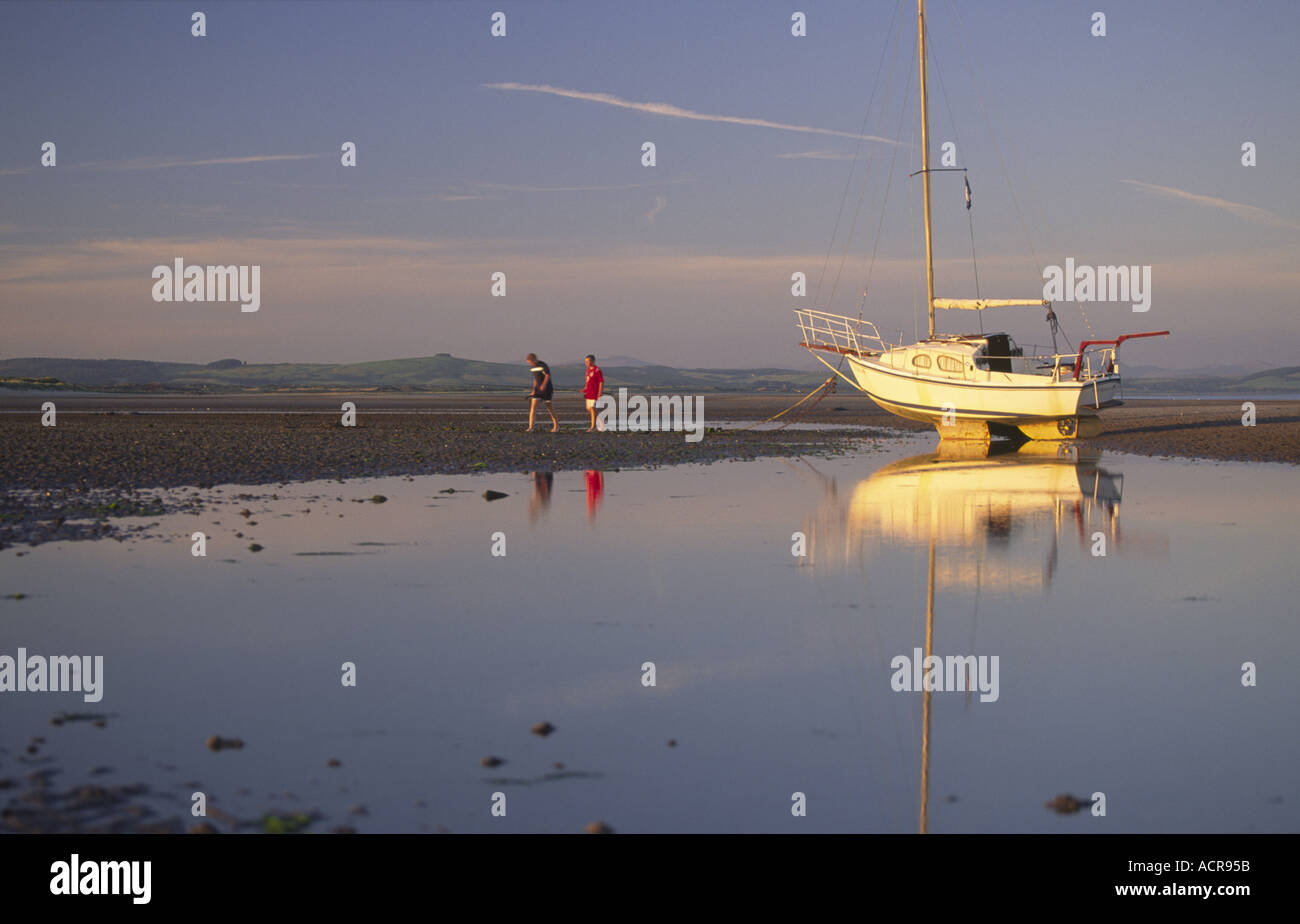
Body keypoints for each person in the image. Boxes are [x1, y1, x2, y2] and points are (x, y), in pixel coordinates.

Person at [526, 353, 557, 432]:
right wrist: (533, 390)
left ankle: (556, 426)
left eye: (531, 362)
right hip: (537, 391)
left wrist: (543, 385)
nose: (530, 364)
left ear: (534, 359)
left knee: (549, 407)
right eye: (529, 362)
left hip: (547, 390)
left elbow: (547, 375)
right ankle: (531, 427)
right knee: (533, 407)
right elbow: (535, 379)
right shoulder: (532, 368)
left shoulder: (543, 365)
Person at [582, 354, 604, 432]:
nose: (587, 363)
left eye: (588, 361)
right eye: (586, 361)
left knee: (592, 409)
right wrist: (584, 389)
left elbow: (601, 382)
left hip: (595, 393)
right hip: (589, 393)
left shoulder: (597, 370)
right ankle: (601, 423)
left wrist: (599, 393)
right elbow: (588, 382)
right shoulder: (588, 370)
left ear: (593, 361)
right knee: (589, 409)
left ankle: (593, 427)